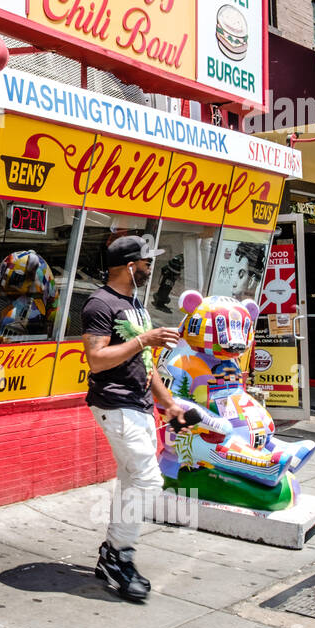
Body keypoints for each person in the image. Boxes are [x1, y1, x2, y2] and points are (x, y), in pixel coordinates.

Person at [81, 235, 188, 603]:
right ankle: (119, 555)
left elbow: (144, 363)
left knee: (131, 479)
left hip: (139, 405)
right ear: (129, 266)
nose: (150, 267)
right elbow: (97, 359)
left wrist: (168, 403)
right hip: (115, 404)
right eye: (145, 262)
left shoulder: (135, 305)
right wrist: (146, 339)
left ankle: (112, 553)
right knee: (147, 480)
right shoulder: (100, 303)